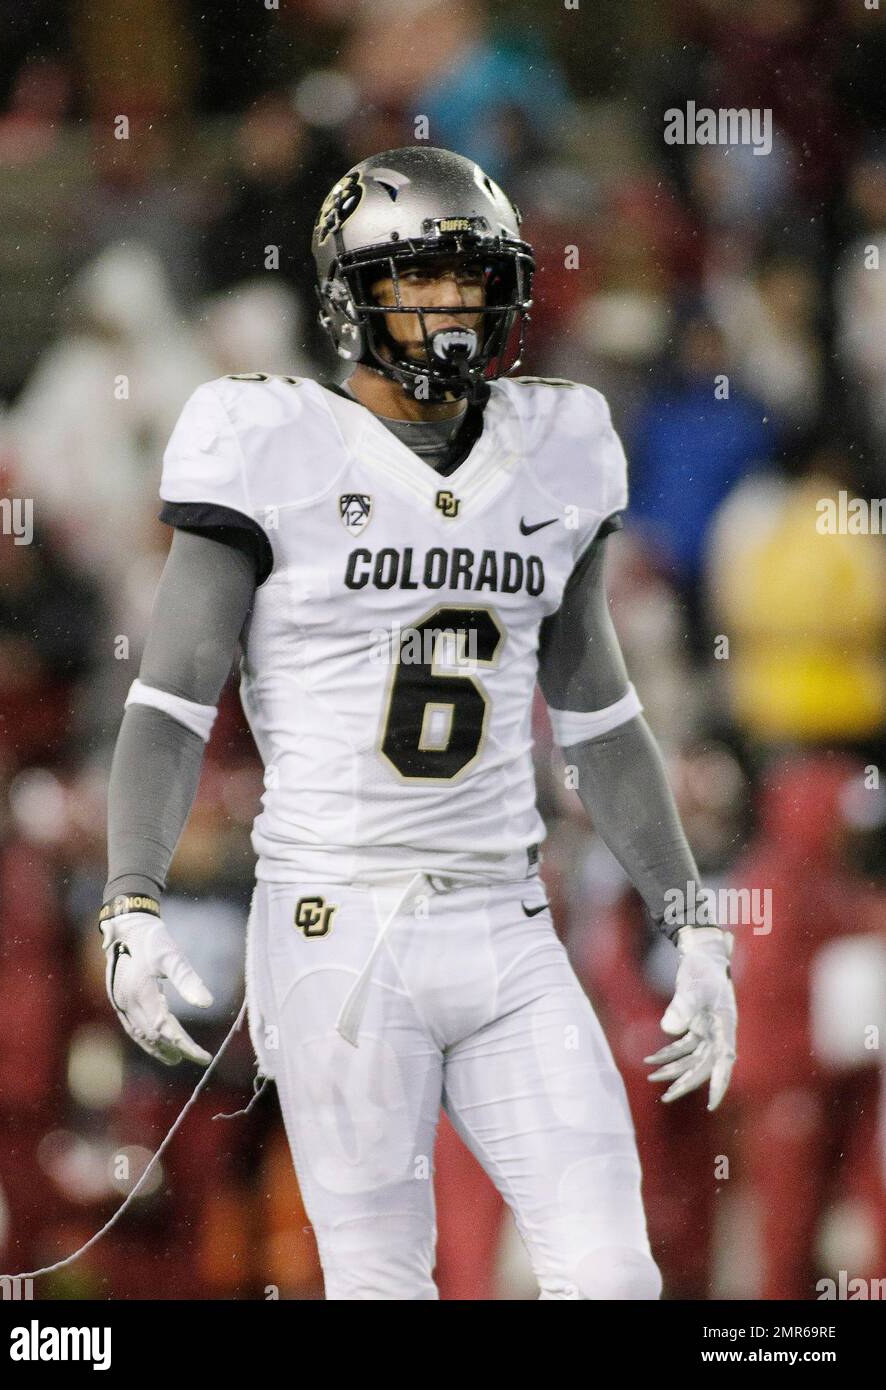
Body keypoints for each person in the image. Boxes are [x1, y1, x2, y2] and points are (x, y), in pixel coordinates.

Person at [99, 146, 737, 1301]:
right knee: (382, 1279)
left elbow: (599, 714)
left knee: (613, 1274)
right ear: (351, 293)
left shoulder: (557, 444)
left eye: (473, 274)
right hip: (334, 923)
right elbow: (169, 701)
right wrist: (129, 899)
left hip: (505, 919)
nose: (455, 301)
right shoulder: (271, 443)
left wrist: (690, 919)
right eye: (423, 274)